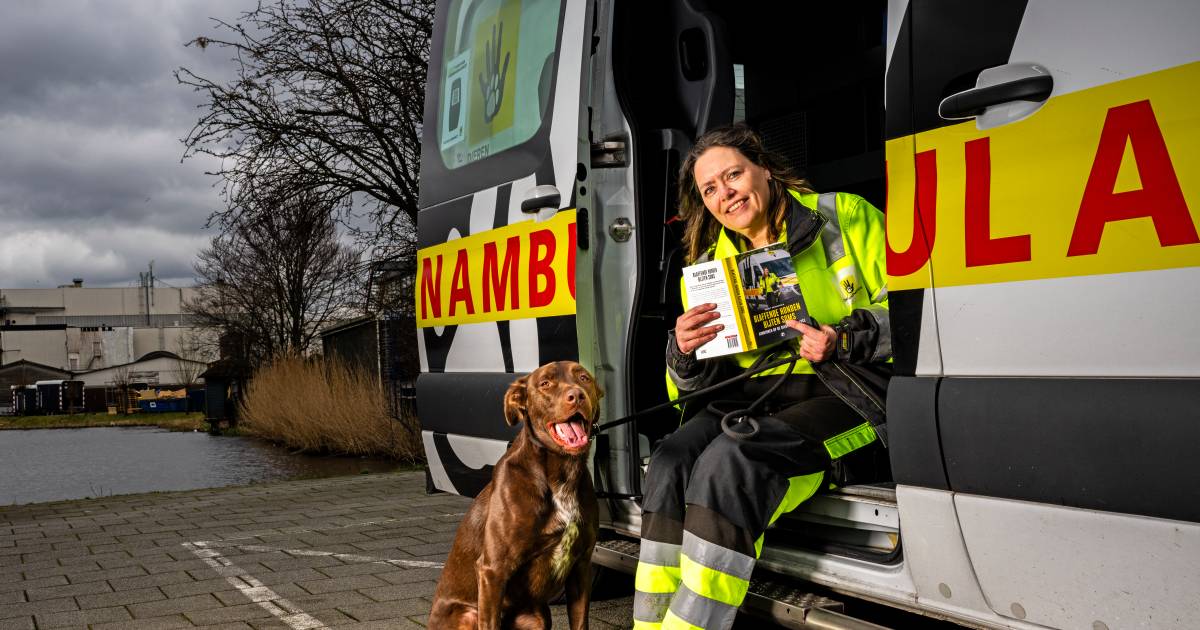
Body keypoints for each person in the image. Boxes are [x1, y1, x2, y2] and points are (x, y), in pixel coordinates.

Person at [633, 124, 891, 630]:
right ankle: (650, 624)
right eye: (710, 189)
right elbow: (692, 391)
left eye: (733, 175)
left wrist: (843, 336)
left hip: (846, 391)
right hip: (756, 396)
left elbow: (918, 308)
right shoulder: (710, 266)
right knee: (670, 459)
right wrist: (683, 353)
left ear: (764, 170)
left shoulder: (845, 215)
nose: (725, 193)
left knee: (732, 461)